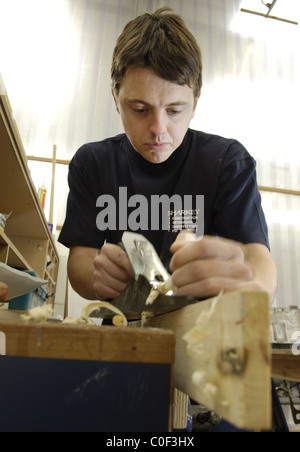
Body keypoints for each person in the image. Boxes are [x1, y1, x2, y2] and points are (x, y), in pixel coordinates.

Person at [59, 7, 277, 304]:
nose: (158, 129)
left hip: (200, 335)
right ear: (115, 97)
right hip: (125, 332)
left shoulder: (227, 162)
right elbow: (80, 261)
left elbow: (258, 261)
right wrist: (100, 278)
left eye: (175, 110)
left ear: (195, 101)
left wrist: (246, 289)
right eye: (140, 109)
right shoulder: (93, 163)